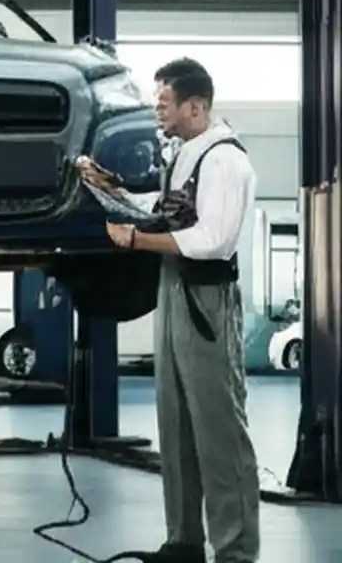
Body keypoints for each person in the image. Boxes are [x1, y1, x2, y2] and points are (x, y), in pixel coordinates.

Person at [76, 57, 260, 563]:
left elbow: (211, 239)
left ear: (195, 106)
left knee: (218, 431)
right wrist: (109, 187)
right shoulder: (184, 154)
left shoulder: (225, 159)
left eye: (164, 103)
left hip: (206, 301)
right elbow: (164, 208)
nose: (157, 111)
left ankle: (236, 551)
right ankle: (183, 543)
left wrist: (137, 240)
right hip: (173, 290)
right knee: (176, 424)